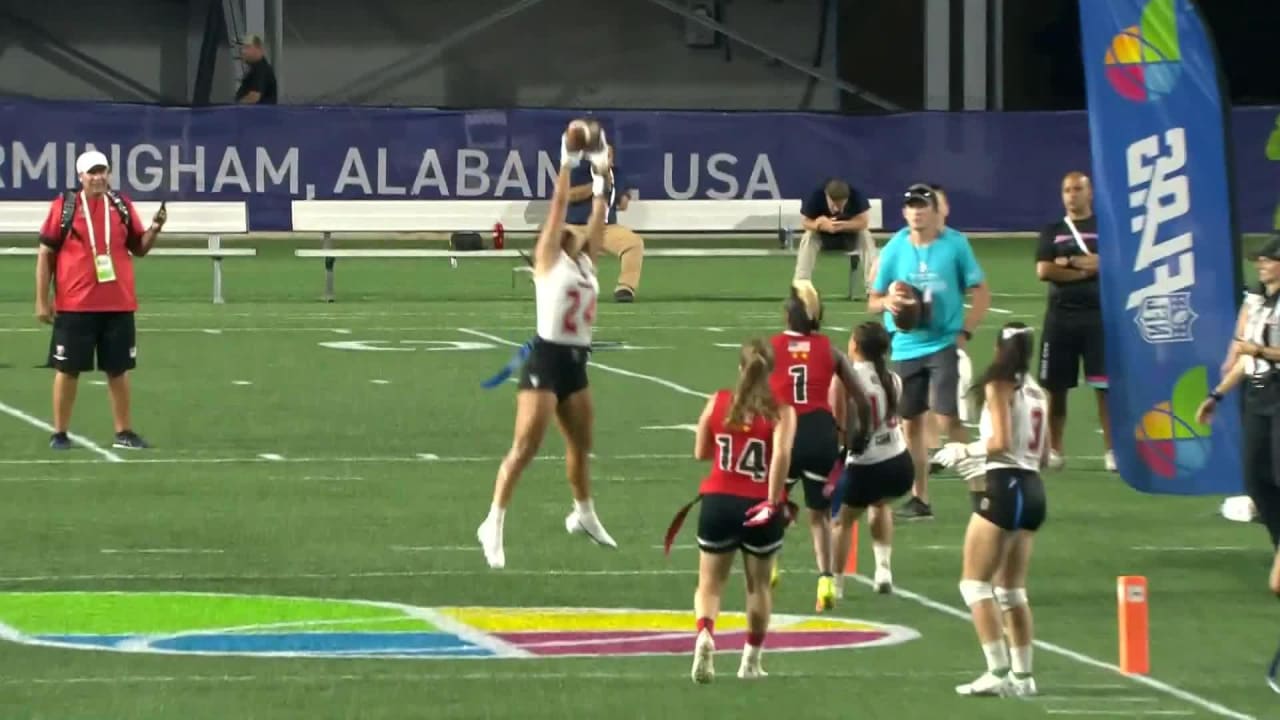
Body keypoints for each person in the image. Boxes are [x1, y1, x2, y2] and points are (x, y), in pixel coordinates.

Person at [476, 123, 617, 569]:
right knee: (525, 446)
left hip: (576, 363)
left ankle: (583, 514)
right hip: (546, 358)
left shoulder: (587, 264)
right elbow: (558, 206)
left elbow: (600, 215)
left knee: (581, 444)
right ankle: (493, 520)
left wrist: (601, 178)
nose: (572, 232)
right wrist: (566, 161)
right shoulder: (549, 260)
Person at [934, 322, 1047, 698]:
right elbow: (1043, 454)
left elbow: (997, 441)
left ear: (999, 347)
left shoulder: (999, 385)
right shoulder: (1038, 392)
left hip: (1006, 486)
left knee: (974, 584)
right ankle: (1024, 677)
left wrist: (964, 451)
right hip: (1033, 490)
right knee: (1012, 590)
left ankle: (997, 670)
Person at [869, 183, 990, 521]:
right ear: (905, 212)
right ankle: (919, 498)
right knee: (910, 426)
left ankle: (979, 491)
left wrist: (966, 330)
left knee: (948, 418)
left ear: (936, 210)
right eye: (911, 206)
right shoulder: (894, 248)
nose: (917, 211)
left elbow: (981, 292)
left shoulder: (955, 244)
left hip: (941, 344)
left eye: (923, 205)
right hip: (906, 346)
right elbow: (873, 300)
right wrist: (888, 302)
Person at [36, 150, 167, 451]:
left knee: (118, 370)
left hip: (118, 303)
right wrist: (42, 301)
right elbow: (45, 254)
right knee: (68, 370)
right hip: (75, 305)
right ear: (80, 176)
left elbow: (139, 247)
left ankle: (124, 432)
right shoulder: (65, 207)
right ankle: (59, 432)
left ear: (109, 173)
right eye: (91, 173)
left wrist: (155, 228)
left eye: (102, 171)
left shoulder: (120, 205)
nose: (98, 178)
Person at [689, 338, 798, 683]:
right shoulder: (782, 411)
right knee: (758, 586)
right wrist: (772, 500)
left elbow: (700, 452)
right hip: (759, 505)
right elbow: (781, 455)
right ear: (771, 373)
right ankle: (750, 661)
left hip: (719, 500)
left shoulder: (718, 402)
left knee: (709, 584)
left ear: (740, 368)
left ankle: (706, 633)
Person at [765, 282, 871, 610]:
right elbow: (862, 399)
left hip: (786, 432)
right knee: (819, 515)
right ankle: (825, 579)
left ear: (787, 317)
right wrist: (858, 434)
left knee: (773, 502)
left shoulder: (771, 348)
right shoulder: (831, 350)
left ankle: (769, 564)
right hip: (821, 433)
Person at [1197, 236, 1280, 574]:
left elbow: (1253, 352)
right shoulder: (1261, 304)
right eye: (1259, 260)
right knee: (1255, 478)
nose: (1260, 265)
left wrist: (1257, 351)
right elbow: (1246, 360)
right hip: (1259, 394)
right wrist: (1217, 394)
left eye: (1267, 260)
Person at [1034, 171, 1114, 472]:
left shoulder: (1105, 227)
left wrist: (1068, 263)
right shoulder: (1052, 229)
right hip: (1060, 318)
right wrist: (1087, 269)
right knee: (1056, 388)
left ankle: (1112, 450)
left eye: (1078, 189)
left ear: (1090, 192)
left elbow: (1112, 261)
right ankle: (1055, 449)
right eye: (1067, 190)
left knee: (1105, 387)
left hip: (1099, 317)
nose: (1072, 195)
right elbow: (1044, 270)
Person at [828, 322, 914, 598]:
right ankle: (883, 570)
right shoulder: (892, 378)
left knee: (842, 521)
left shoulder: (846, 380)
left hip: (866, 465)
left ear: (855, 346)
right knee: (880, 504)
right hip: (898, 461)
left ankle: (837, 585)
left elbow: (840, 425)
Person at [565, 144, 645, 302]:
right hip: (578, 226)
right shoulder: (579, 172)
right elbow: (570, 196)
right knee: (556, 245)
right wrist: (595, 186)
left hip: (606, 228)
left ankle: (625, 288)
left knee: (633, 243)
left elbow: (623, 203)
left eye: (608, 156)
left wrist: (624, 196)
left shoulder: (618, 175)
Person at [792, 178, 875, 286]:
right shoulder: (816, 195)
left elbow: (863, 222)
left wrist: (842, 226)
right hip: (823, 235)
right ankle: (801, 285)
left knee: (865, 235)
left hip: (849, 235)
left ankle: (874, 287)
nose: (836, 210)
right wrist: (819, 225)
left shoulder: (856, 195)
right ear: (827, 196)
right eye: (833, 205)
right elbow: (805, 222)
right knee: (808, 236)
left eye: (840, 206)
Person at [235, 34, 278, 104]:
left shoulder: (260, 69)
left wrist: (235, 107)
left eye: (247, 47)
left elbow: (254, 97)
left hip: (258, 114)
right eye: (242, 48)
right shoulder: (256, 68)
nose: (243, 51)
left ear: (258, 49)